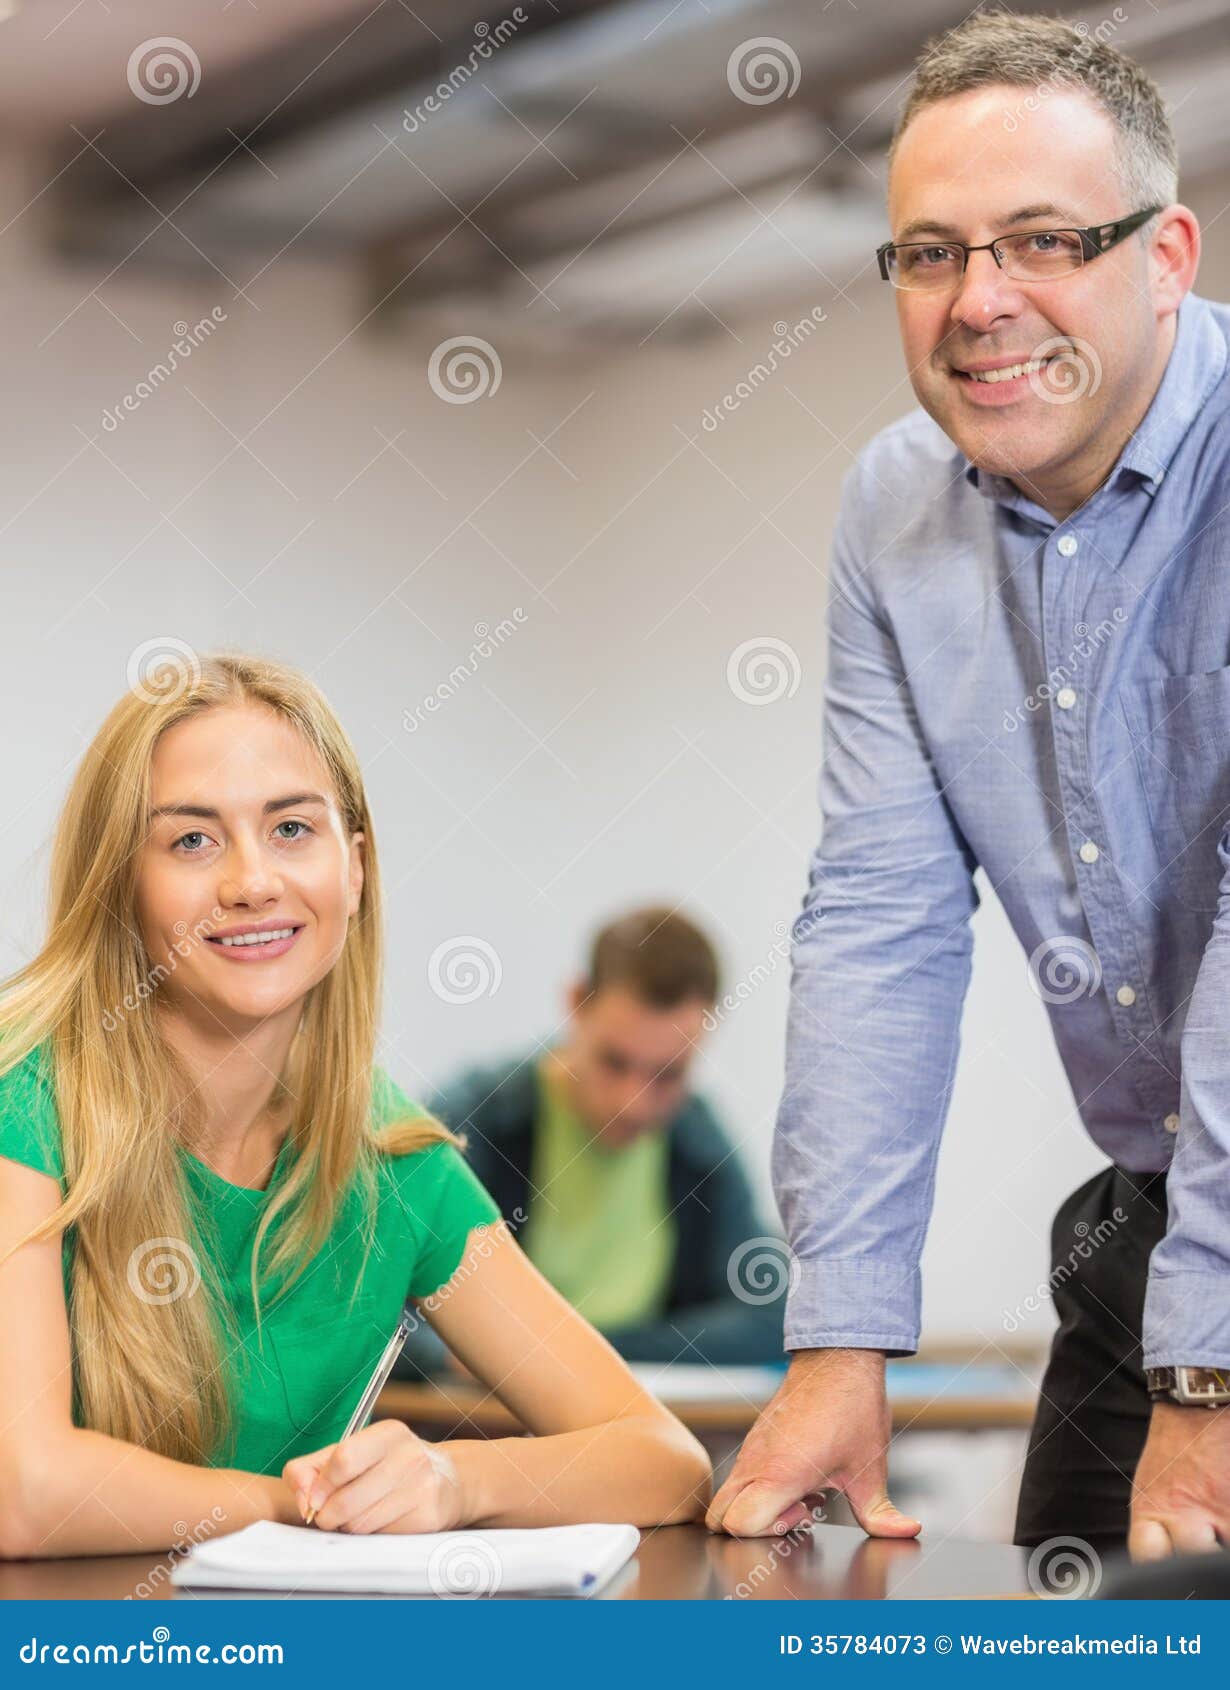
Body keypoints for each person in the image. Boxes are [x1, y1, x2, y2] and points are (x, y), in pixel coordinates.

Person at [707, 12, 1228, 1560]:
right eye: (927, 255)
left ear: (1164, 254)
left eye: (1041, 240)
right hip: (1157, 1218)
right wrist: (840, 1341)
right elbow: (880, 918)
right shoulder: (895, 510)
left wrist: (1201, 1374)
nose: (978, 301)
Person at [0, 652, 710, 1558]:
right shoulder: (23, 1089)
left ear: (356, 867)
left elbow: (664, 1459)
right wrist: (306, 1510)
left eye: (292, 828)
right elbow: (24, 1492)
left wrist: (456, 1484)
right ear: (118, 883)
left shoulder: (390, 1157)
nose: (252, 881)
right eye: (191, 840)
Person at [394, 906, 786, 1382]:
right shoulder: (476, 1119)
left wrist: (562, 1356)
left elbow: (769, 1314)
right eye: (615, 1063)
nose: (634, 1104)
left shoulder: (700, 1144)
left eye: (668, 1075)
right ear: (576, 1002)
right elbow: (376, 1295)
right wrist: (449, 1356)